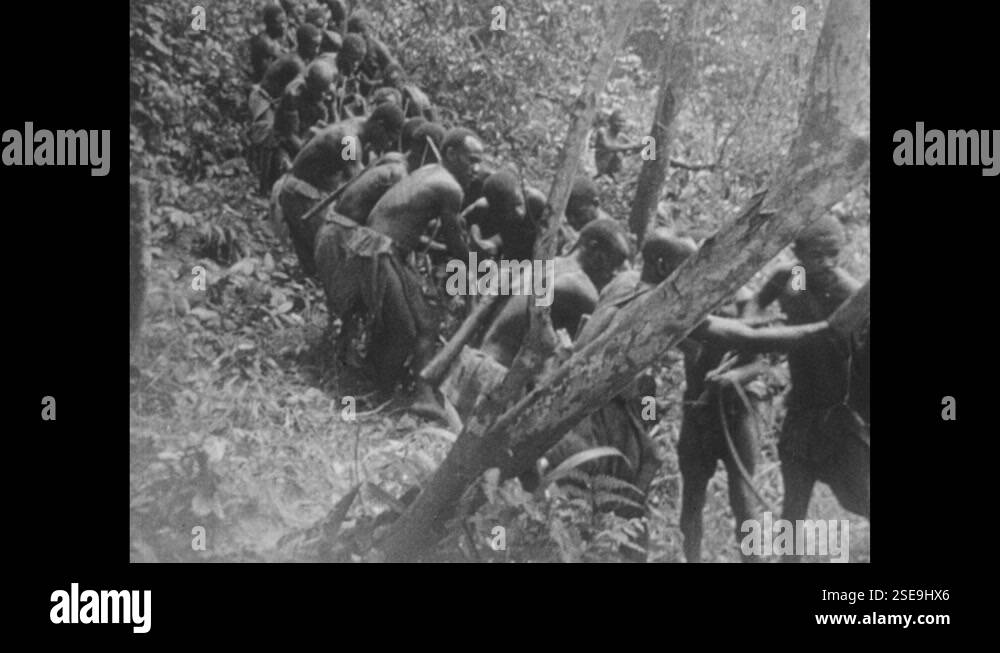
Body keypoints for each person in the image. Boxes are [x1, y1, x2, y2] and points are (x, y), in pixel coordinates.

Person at [317, 128, 483, 420]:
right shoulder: (450, 189)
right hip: (379, 251)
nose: (476, 169)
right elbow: (457, 243)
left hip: (379, 248)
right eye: (472, 160)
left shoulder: (430, 171)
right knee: (405, 330)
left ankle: (419, 394)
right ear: (451, 154)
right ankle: (372, 396)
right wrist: (477, 274)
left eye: (479, 162)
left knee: (426, 325)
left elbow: (405, 221)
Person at [744, 215, 868, 560]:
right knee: (793, 506)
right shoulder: (791, 278)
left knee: (858, 497)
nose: (827, 263)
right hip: (800, 415)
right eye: (817, 255)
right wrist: (753, 324)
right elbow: (758, 301)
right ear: (797, 252)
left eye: (834, 253)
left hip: (841, 420)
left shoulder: (848, 293)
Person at [271, 103, 405, 276]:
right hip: (300, 194)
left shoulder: (361, 125)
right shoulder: (348, 140)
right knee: (330, 254)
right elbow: (358, 183)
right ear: (379, 125)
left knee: (315, 266)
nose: (389, 143)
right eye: (389, 137)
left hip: (312, 193)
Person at [479, 218, 631, 369]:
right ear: (594, 250)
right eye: (611, 265)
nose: (609, 275)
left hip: (482, 357)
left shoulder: (545, 264)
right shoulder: (580, 288)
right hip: (501, 374)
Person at [462, 169, 546, 262]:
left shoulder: (536, 201)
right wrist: (476, 238)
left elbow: (560, 237)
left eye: (518, 204)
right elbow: (460, 224)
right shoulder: (482, 207)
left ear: (521, 190)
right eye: (509, 209)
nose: (519, 212)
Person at [249, 3, 293, 82]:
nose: (283, 26)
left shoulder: (281, 38)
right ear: (269, 23)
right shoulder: (262, 43)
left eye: (284, 22)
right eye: (279, 23)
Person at [594, 109, 643, 180]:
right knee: (617, 153)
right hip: (601, 165)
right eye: (619, 121)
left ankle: (614, 175)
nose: (621, 124)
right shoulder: (602, 131)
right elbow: (608, 147)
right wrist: (631, 146)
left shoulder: (622, 136)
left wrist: (641, 145)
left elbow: (635, 148)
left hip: (614, 168)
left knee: (620, 154)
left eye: (623, 122)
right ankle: (603, 175)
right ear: (610, 121)